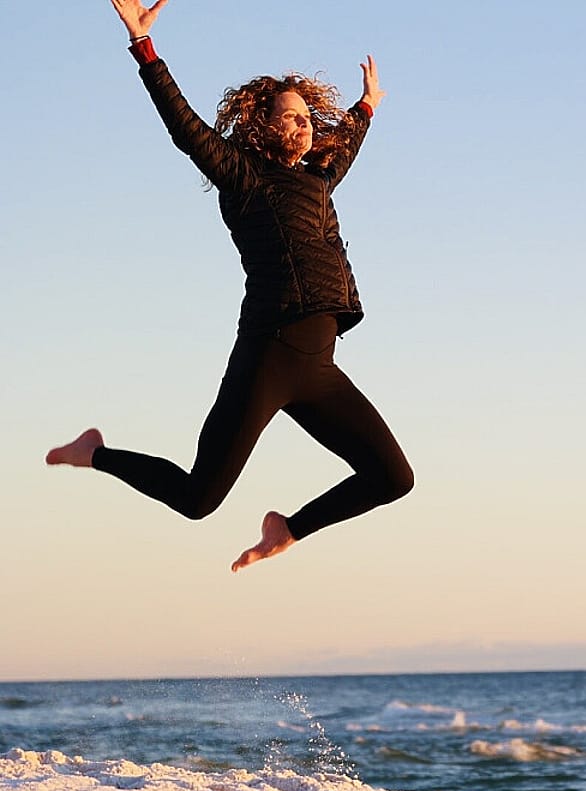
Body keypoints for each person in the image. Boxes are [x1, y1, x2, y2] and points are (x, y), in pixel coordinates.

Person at [47, 0, 414, 572]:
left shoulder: (319, 180)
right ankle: (95, 453)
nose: (301, 124)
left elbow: (344, 145)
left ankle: (285, 530)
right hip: (267, 356)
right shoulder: (243, 176)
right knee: (198, 499)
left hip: (319, 368)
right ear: (262, 124)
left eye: (305, 118)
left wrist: (366, 106)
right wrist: (145, 48)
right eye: (287, 116)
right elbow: (185, 127)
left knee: (393, 478)